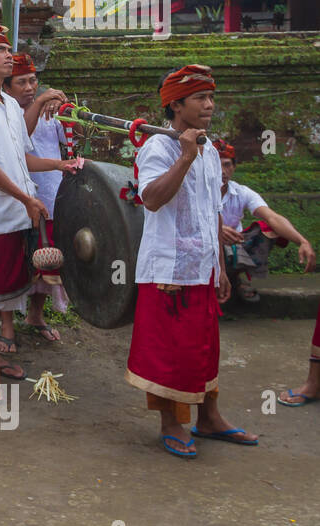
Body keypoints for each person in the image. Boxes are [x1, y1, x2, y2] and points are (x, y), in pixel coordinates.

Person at [125, 65, 259, 457]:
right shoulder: (156, 148)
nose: (209, 105)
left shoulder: (212, 150)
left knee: (205, 346)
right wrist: (184, 157)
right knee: (170, 351)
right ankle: (171, 422)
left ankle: (209, 418)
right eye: (201, 98)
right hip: (167, 269)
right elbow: (150, 199)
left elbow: (212, 211)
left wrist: (219, 264)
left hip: (202, 268)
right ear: (176, 104)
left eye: (211, 97)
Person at [0, 28, 83, 398]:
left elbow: (22, 159)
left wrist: (61, 165)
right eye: (0, 51)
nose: (9, 55)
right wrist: (25, 198)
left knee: (11, 289)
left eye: (9, 49)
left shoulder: (10, 105)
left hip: (20, 213)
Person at [3, 53, 71, 340]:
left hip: (52, 195)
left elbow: (74, 136)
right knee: (15, 263)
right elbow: (20, 151)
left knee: (48, 261)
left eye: (33, 81)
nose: (30, 87)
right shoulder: (6, 113)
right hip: (19, 200)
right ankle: (5, 325)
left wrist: (67, 109)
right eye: (21, 82)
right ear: (7, 87)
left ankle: (35, 315)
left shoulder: (49, 112)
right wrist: (43, 101)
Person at [213, 138, 314, 302]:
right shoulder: (198, 192)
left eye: (227, 165)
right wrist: (216, 229)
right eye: (217, 165)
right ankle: (214, 282)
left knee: (268, 228)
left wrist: (302, 241)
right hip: (206, 247)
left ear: (234, 167)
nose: (222, 171)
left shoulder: (242, 192)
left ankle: (234, 278)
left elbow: (272, 217)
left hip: (234, 248)